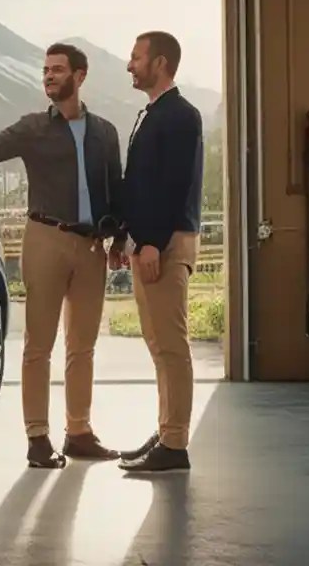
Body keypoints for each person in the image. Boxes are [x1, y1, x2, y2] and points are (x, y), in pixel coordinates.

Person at [0, 42, 127, 469]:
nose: (48, 76)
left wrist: (119, 238)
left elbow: (116, 191)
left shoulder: (105, 132)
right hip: (45, 239)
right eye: (45, 70)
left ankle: (78, 431)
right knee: (38, 346)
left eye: (58, 69)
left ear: (80, 76)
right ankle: (38, 438)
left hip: (93, 246)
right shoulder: (32, 128)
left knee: (83, 346)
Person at [116, 30, 203, 473]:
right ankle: (168, 430)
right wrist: (125, 237)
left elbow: (174, 185)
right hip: (149, 241)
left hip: (165, 244)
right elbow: (140, 184)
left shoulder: (181, 116)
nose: (130, 65)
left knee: (171, 344)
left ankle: (175, 444)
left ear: (161, 62)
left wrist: (151, 241)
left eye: (136, 58)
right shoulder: (152, 114)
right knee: (158, 344)